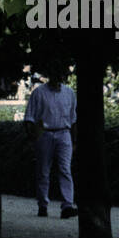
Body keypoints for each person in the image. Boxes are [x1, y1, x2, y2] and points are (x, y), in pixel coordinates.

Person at [23, 59, 77, 218]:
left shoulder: (69, 93)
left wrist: (74, 140)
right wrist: (32, 137)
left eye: (62, 74)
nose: (59, 77)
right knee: (43, 171)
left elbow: (73, 119)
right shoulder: (39, 93)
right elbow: (29, 117)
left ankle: (67, 205)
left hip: (64, 133)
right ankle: (43, 204)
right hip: (44, 133)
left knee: (65, 169)